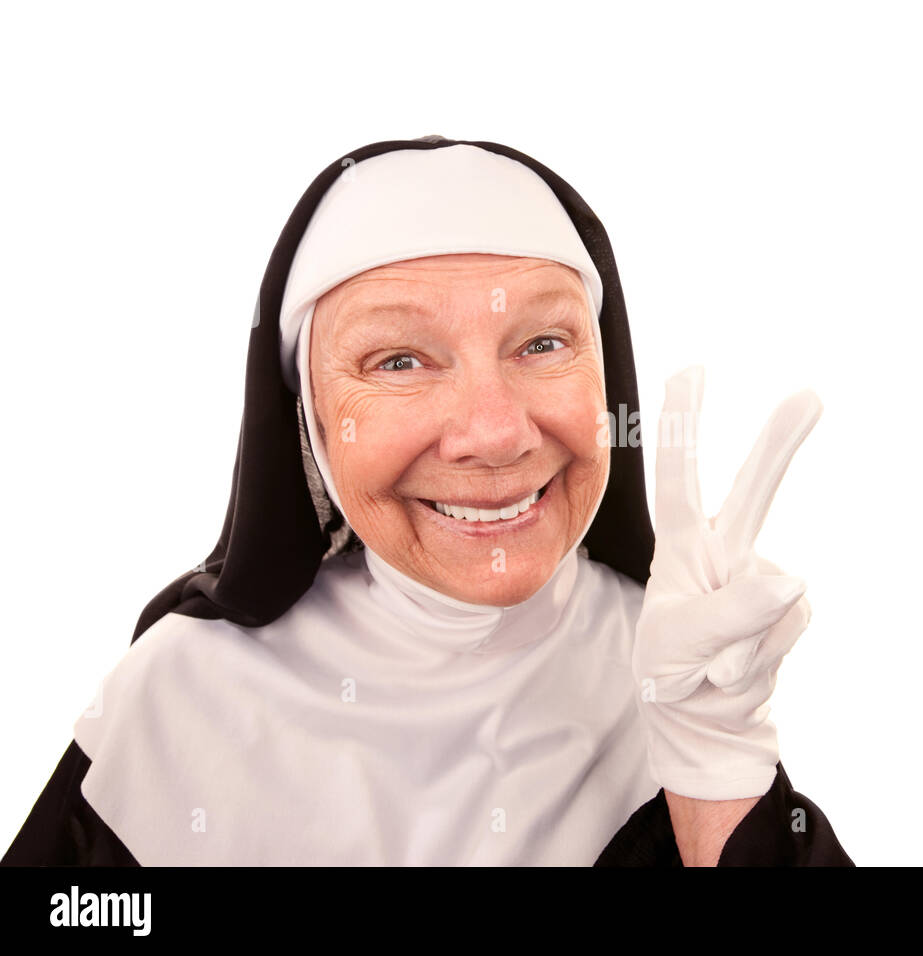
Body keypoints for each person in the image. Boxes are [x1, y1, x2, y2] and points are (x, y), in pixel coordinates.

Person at [1, 135, 853, 867]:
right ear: (310, 424)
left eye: (544, 342)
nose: (494, 433)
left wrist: (718, 780)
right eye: (399, 362)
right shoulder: (181, 697)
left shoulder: (684, 676)